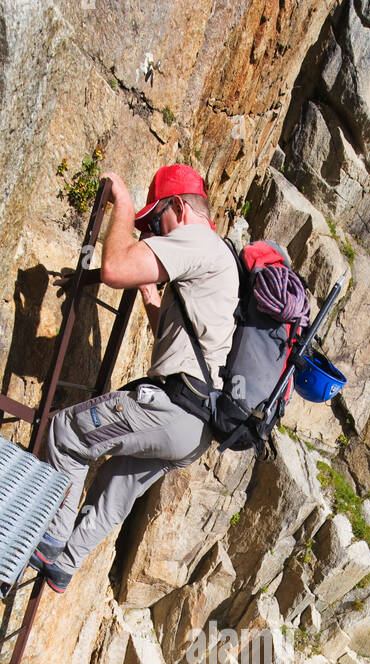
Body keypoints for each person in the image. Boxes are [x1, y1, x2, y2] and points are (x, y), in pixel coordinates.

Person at [30, 163, 240, 593]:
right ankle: (64, 566)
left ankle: (48, 542)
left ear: (179, 208)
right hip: (197, 428)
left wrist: (123, 205)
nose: (155, 234)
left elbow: (116, 268)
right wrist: (149, 297)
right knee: (117, 487)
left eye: (156, 221)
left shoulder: (197, 241)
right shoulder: (223, 262)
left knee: (67, 434)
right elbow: (187, 341)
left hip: (171, 407)